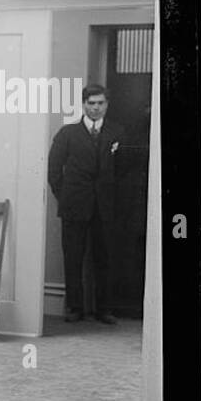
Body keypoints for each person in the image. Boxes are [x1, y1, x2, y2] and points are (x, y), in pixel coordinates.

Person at [48, 84, 124, 324]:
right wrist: (66, 197)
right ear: (83, 105)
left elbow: (125, 172)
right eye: (91, 103)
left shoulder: (117, 133)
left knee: (105, 258)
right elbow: (53, 171)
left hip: (105, 207)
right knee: (73, 258)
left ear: (107, 105)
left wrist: (112, 200)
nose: (96, 107)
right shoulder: (67, 133)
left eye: (100, 103)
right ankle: (74, 307)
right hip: (74, 206)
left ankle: (104, 309)